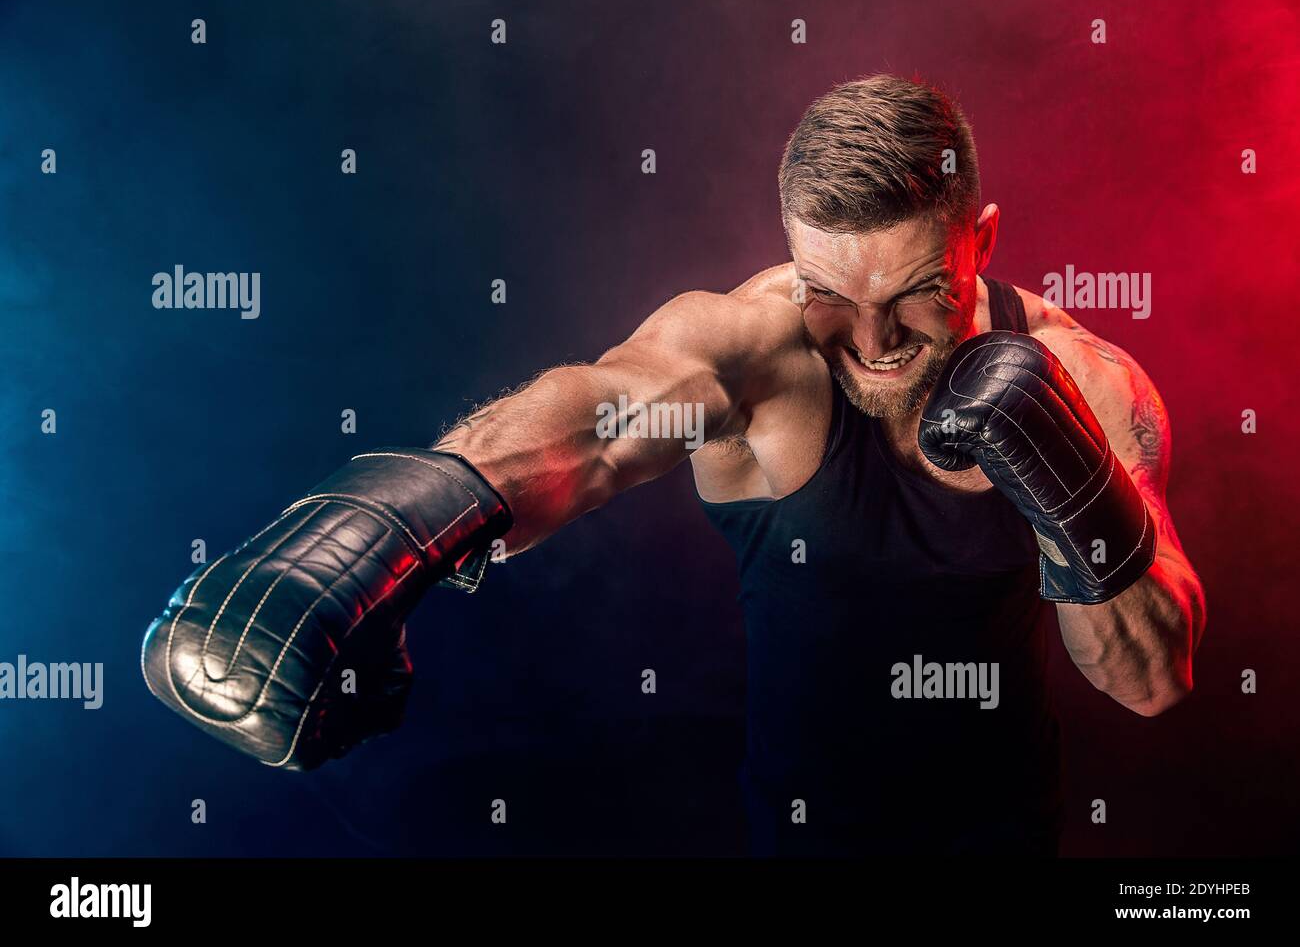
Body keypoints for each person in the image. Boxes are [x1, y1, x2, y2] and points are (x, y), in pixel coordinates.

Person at [142, 74, 1206, 856]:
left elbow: (1147, 678)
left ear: (979, 238)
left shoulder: (1089, 381)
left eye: (915, 290)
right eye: (831, 292)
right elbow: (594, 424)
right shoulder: (756, 347)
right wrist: (381, 527)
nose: (872, 338)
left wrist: (1067, 480)